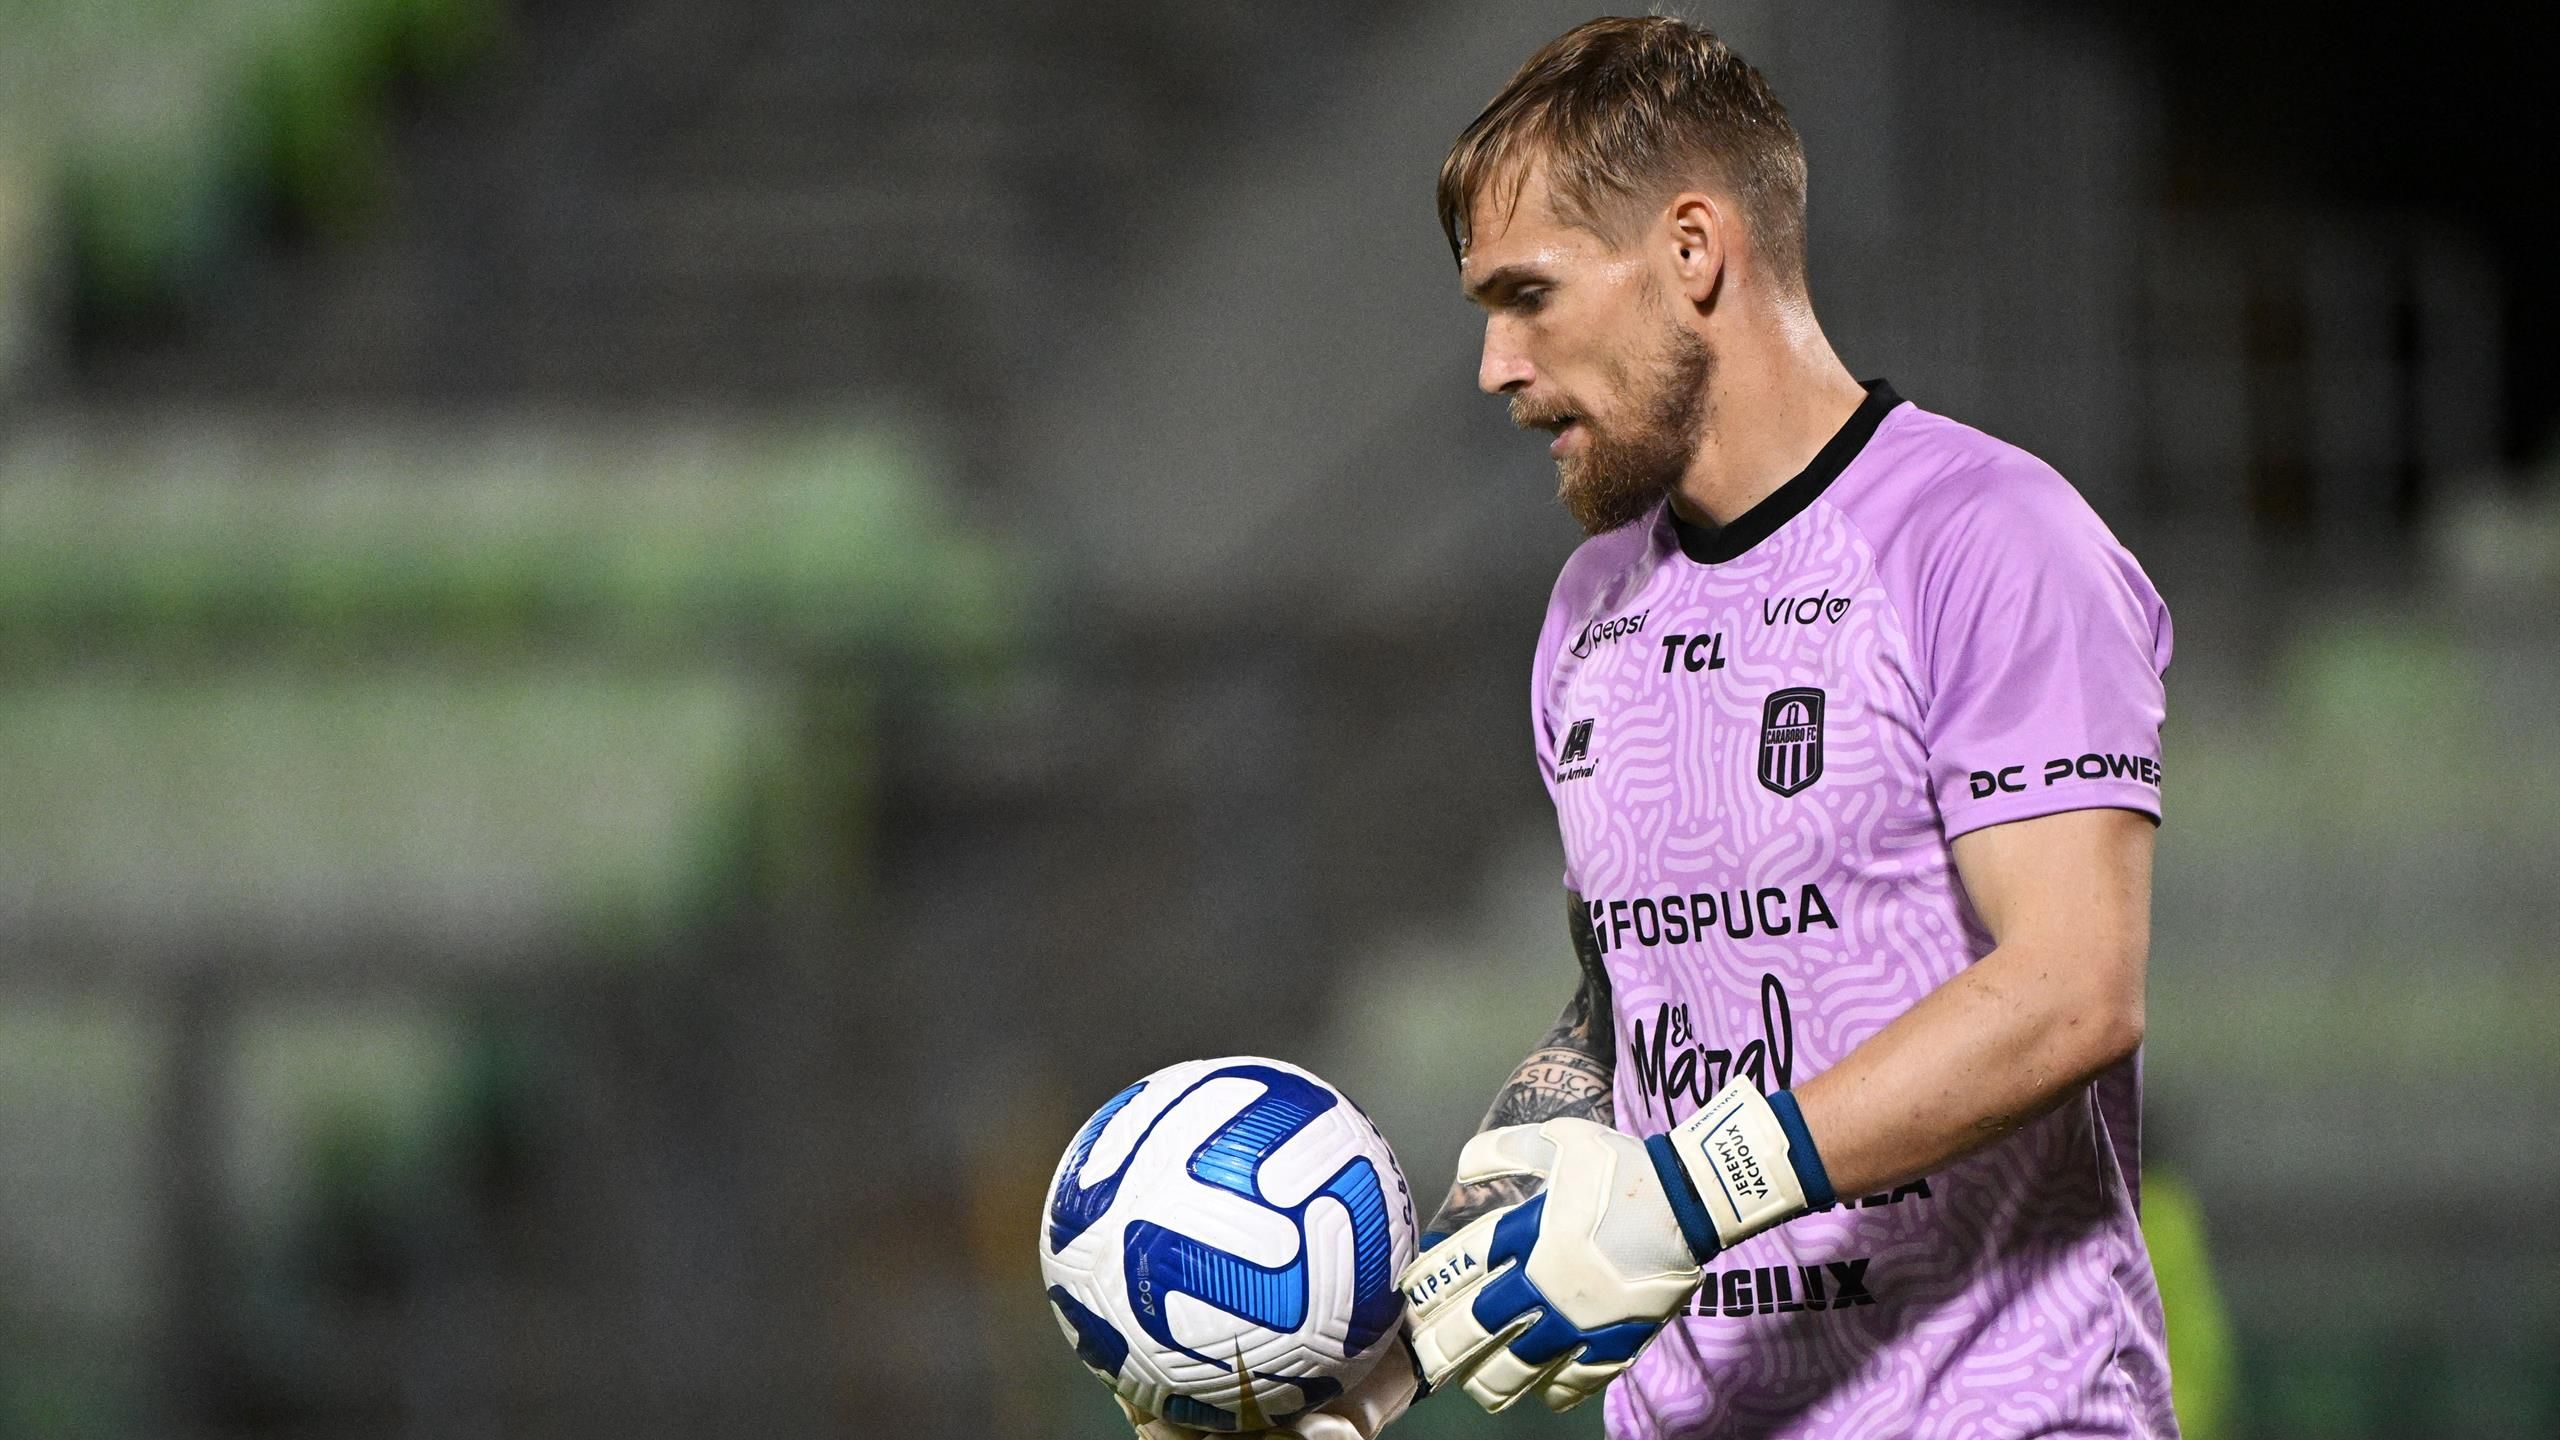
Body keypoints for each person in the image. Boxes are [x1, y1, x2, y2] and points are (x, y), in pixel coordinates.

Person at [1124, 15, 2176, 1440]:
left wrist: (1689, 1196)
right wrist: (1371, 1384)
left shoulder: (1988, 541)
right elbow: (1626, 1004)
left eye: (1529, 297)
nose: (1496, 366)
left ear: (1693, 250)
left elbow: (2072, 989)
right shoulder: (1589, 615)